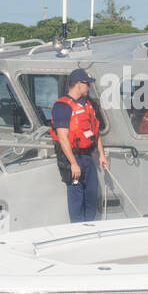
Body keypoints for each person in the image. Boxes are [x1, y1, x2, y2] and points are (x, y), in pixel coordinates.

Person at [51, 69, 110, 222]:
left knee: (91, 194)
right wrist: (73, 164)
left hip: (87, 157)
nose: (88, 88)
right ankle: (77, 228)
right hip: (72, 158)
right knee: (76, 197)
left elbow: (94, 131)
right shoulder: (62, 107)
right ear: (78, 84)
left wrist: (102, 155)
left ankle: (90, 226)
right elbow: (63, 138)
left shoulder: (88, 104)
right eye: (87, 84)